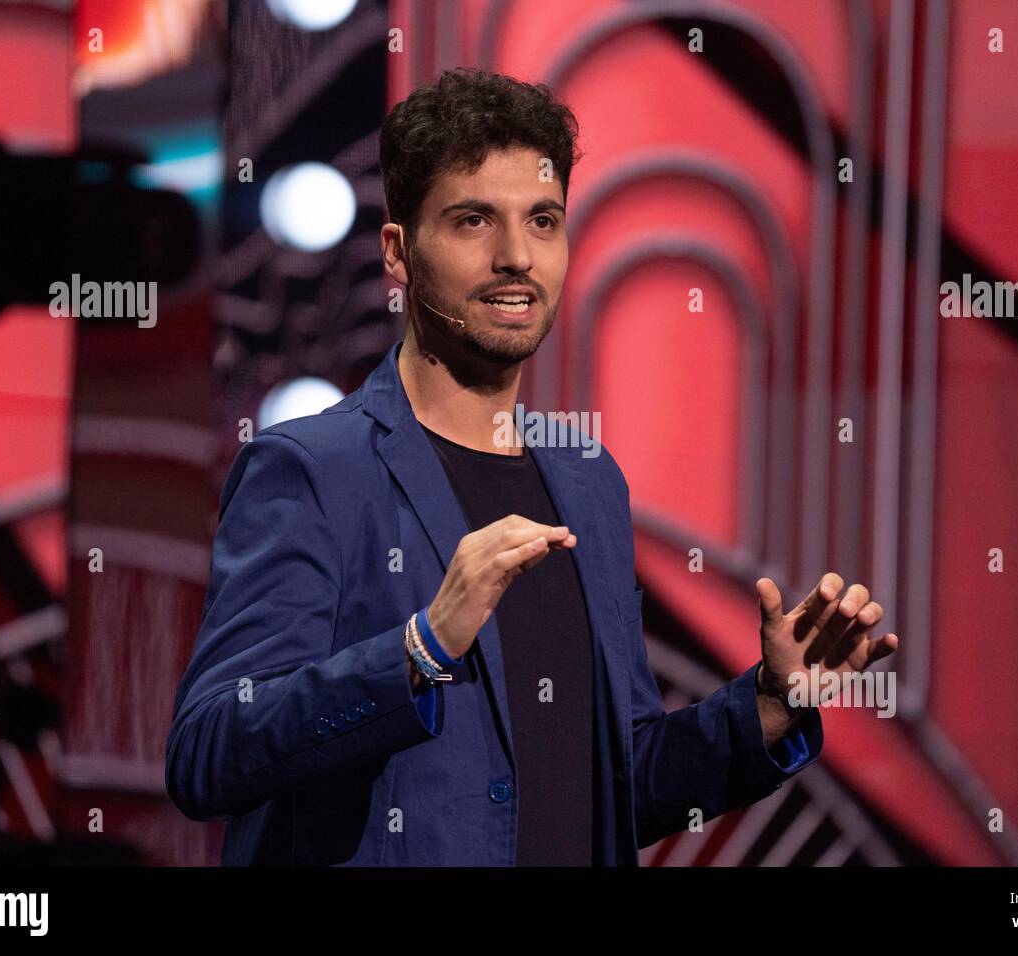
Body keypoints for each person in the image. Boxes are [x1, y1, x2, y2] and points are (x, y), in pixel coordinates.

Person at [165, 67, 899, 866]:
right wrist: (418, 650)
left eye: (543, 221)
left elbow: (623, 782)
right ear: (399, 253)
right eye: (475, 220)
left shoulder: (587, 480)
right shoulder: (312, 470)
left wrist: (770, 704)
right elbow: (208, 755)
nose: (516, 257)